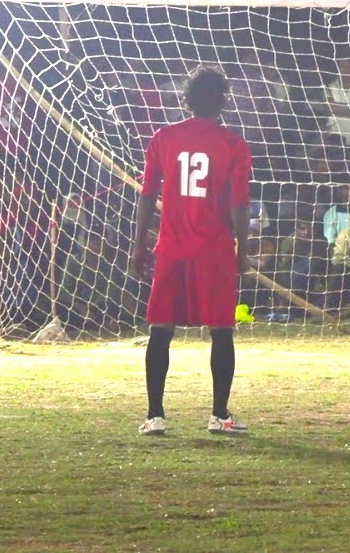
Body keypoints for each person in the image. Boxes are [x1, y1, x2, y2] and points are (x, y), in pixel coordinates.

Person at [131, 65, 253, 436]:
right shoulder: (232, 143)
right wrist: (242, 249)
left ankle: (155, 416)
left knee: (160, 330)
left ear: (186, 100)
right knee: (221, 330)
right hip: (214, 249)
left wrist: (138, 245)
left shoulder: (163, 138)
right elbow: (239, 204)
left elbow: (147, 196)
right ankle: (219, 415)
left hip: (171, 246)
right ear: (222, 101)